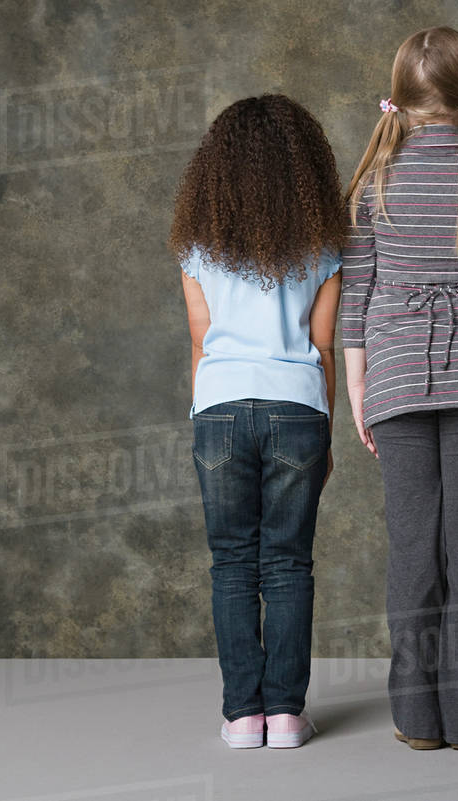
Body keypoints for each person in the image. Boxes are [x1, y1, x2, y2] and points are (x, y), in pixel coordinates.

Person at [340, 26, 458, 751]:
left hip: (392, 379)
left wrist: (360, 388)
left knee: (413, 546)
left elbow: (356, 296)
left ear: (399, 96)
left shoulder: (374, 177)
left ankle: (418, 720)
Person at [170, 94, 346, 749]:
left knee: (232, 564)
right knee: (289, 564)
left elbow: (200, 341)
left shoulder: (198, 246)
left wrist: (204, 416)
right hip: (297, 408)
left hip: (218, 408)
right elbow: (323, 345)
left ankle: (243, 716)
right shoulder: (323, 246)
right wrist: (326, 430)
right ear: (304, 167)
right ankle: (288, 715)